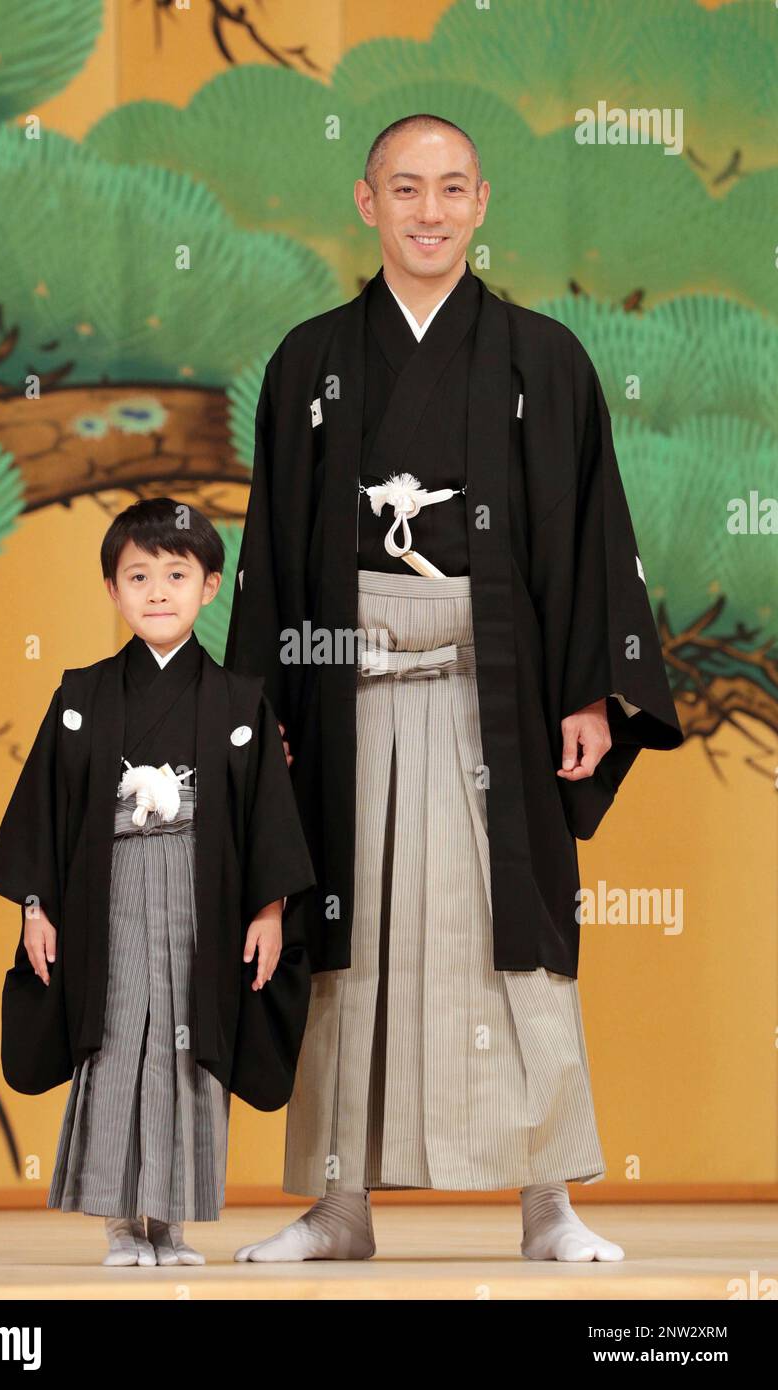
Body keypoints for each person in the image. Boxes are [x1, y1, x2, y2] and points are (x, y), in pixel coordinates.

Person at [224, 115, 684, 1263]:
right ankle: (338, 1209)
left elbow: (588, 536)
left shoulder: (546, 359)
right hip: (345, 684)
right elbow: (273, 550)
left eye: (451, 190)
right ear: (365, 200)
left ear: (482, 204)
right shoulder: (310, 362)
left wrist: (589, 693)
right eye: (405, 188)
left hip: (498, 686)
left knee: (512, 930)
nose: (429, 211)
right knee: (347, 931)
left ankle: (549, 1205)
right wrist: (264, 709)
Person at [0, 498, 317, 1266]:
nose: (157, 591)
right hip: (109, 892)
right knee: (118, 1036)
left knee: (188, 1045)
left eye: (176, 574)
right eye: (138, 576)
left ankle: (174, 1222)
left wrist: (268, 911)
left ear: (211, 587)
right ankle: (122, 1223)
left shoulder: (239, 700)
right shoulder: (80, 697)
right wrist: (36, 906)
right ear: (112, 590)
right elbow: (45, 809)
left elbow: (266, 814)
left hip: (205, 895)